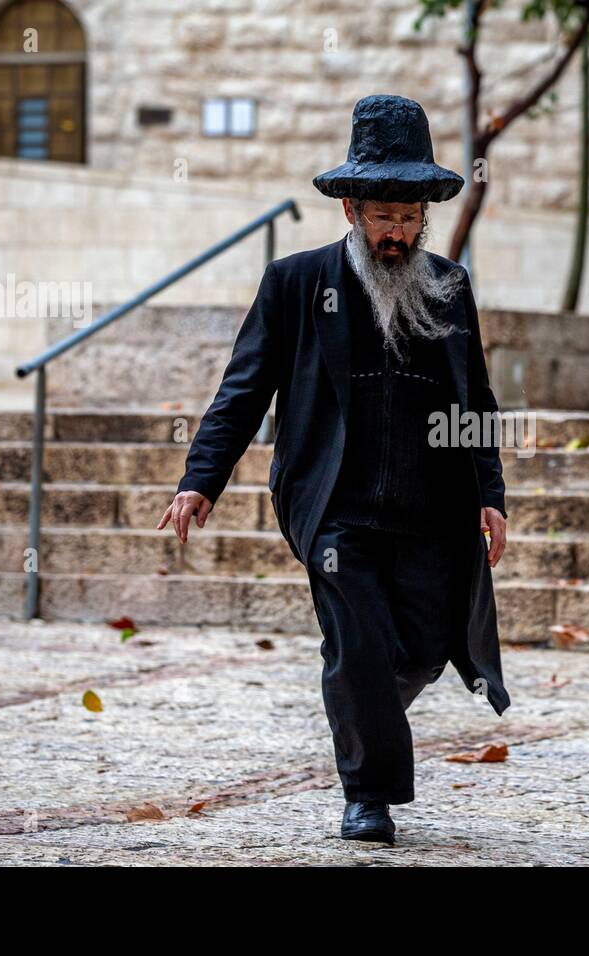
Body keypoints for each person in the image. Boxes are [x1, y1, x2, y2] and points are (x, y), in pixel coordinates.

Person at [157, 94, 512, 845]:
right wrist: (200, 480)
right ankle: (368, 797)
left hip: (428, 511)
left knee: (417, 647)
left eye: (412, 216)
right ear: (351, 208)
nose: (400, 231)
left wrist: (489, 492)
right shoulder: (293, 283)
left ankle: (362, 718)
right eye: (386, 215)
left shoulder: (448, 285)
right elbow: (244, 388)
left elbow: (474, 396)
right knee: (356, 644)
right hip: (334, 509)